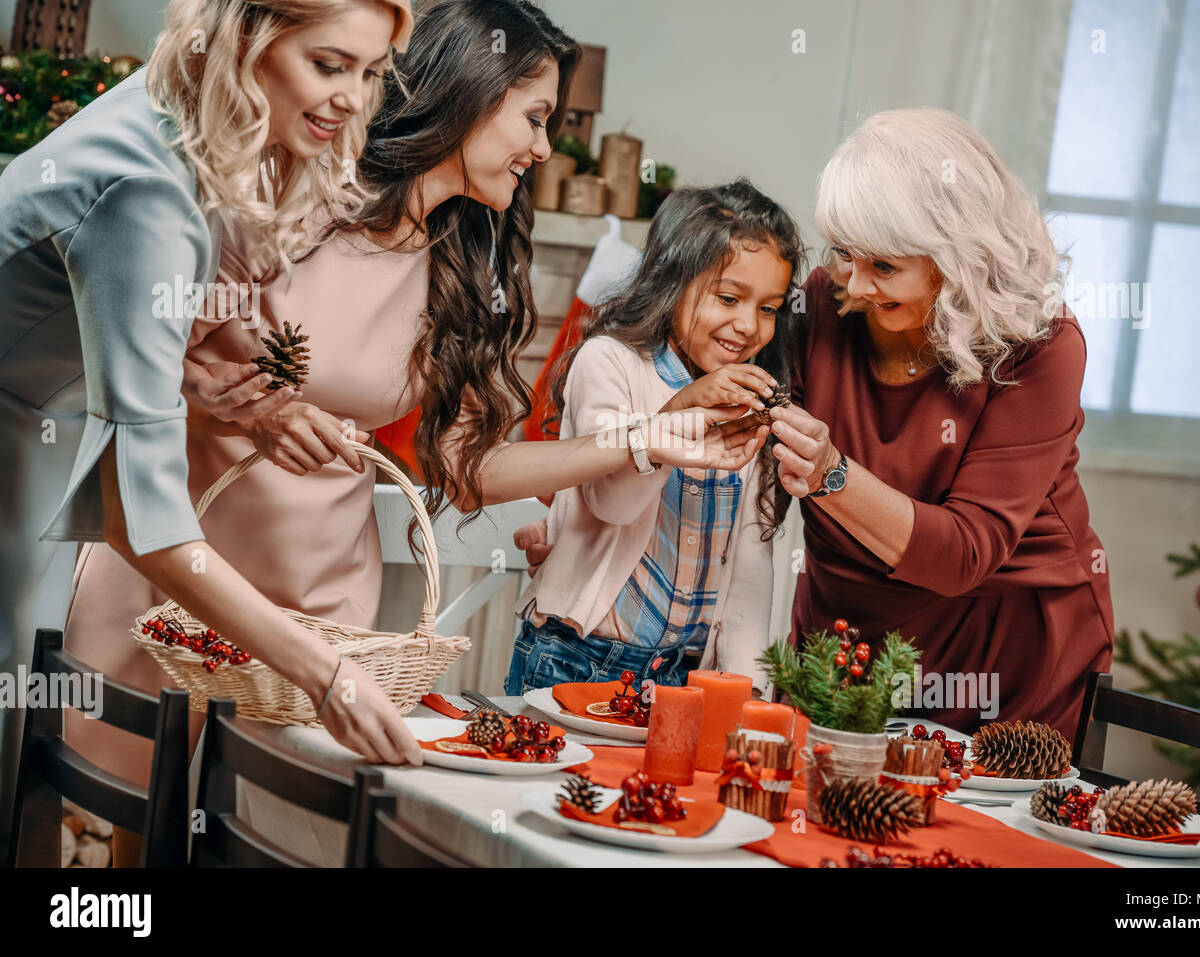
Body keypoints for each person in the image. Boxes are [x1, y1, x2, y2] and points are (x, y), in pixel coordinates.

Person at [62, 0, 766, 858]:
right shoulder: (306, 190)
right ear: (470, 95)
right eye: (534, 118)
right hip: (175, 575)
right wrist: (259, 411)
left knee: (261, 845)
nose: (544, 149)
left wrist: (650, 436)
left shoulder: (459, 263)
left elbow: (471, 466)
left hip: (324, 609)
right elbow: (144, 365)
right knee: (114, 848)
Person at [0, 0, 417, 858]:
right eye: (329, 63)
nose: (351, 100)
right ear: (249, 39)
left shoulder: (179, 121)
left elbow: (75, 310)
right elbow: (143, 526)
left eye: (370, 74)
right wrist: (325, 670)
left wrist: (186, 381)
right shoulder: (149, 189)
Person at [767, 108, 1114, 740]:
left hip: (997, 656)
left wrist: (832, 475)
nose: (857, 284)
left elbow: (964, 554)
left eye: (885, 267)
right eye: (845, 255)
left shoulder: (1039, 346)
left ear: (954, 254)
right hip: (847, 634)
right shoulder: (823, 298)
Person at [505, 180, 803, 695]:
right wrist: (682, 410)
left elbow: (751, 570)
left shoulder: (757, 400)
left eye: (769, 308)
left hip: (685, 679)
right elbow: (611, 502)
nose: (748, 325)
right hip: (578, 656)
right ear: (672, 282)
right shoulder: (610, 362)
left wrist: (749, 686)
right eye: (729, 298)